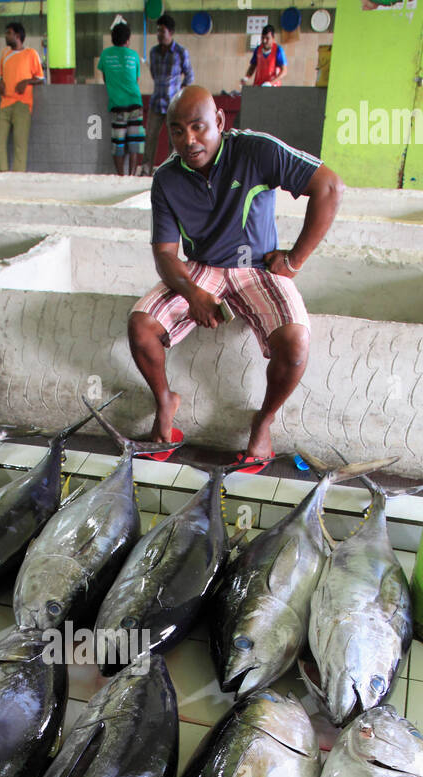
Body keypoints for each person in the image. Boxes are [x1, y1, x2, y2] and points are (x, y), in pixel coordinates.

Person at [129, 86, 344, 471]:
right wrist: (193, 292)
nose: (189, 140)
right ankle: (165, 401)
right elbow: (164, 254)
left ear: (220, 123)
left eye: (198, 127)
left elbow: (329, 186)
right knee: (141, 326)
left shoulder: (255, 150)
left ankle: (263, 422)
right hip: (202, 269)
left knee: (295, 344)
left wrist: (294, 260)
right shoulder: (166, 178)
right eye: (177, 131)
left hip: (257, 269)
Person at [142, 14, 192, 176]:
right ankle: (145, 170)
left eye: (162, 31)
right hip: (156, 103)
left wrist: (181, 95)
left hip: (173, 105)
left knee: (174, 140)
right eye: (157, 31)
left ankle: (172, 172)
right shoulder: (153, 52)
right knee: (150, 138)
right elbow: (154, 74)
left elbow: (190, 76)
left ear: (171, 33)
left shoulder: (180, 52)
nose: (159, 35)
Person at [97, 19, 144, 177]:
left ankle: (120, 177)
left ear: (112, 38)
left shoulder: (105, 55)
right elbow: (136, 80)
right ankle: (131, 177)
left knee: (118, 145)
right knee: (134, 145)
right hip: (135, 104)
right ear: (128, 40)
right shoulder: (134, 56)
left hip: (118, 106)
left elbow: (105, 79)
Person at [0, 22, 43, 173]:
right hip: (4, 104)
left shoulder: (31, 54)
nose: (6, 36)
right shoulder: (5, 53)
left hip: (22, 104)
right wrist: (0, 83)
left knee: (20, 145)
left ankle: (17, 178)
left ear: (17, 36)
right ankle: (2, 176)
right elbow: (2, 76)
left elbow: (41, 79)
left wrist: (27, 81)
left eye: (8, 33)